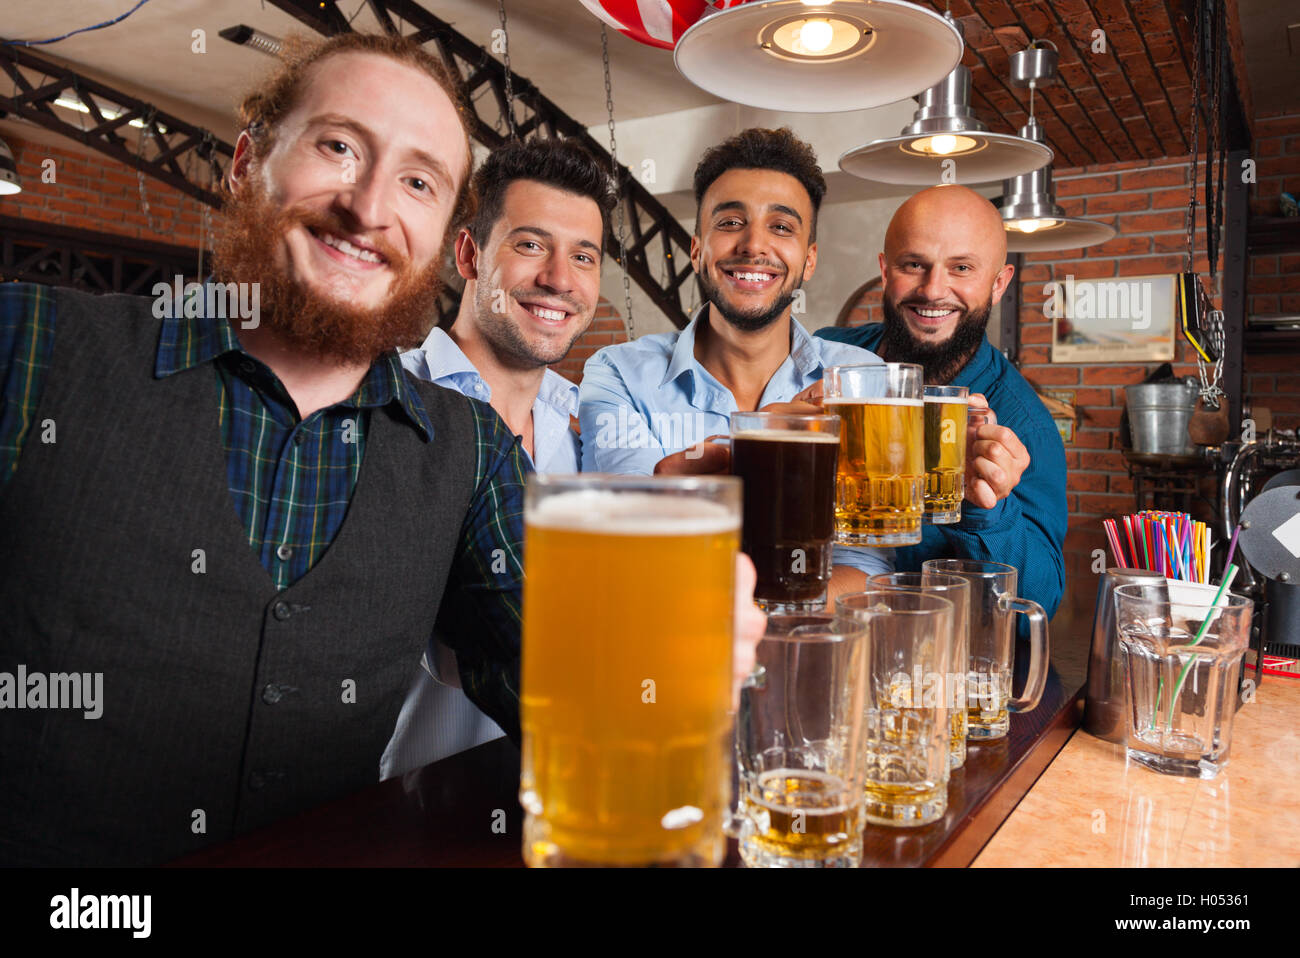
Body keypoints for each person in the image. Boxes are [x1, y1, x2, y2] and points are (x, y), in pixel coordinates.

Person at [385, 137, 614, 777]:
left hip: (582, 793)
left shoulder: (597, 427)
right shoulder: (385, 402)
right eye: (531, 244)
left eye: (584, 257)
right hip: (415, 802)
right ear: (469, 253)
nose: (559, 280)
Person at [578, 127, 893, 589]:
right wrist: (765, 435)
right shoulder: (618, 373)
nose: (753, 245)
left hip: (809, 657)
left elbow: (866, 568)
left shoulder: (862, 378)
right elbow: (633, 533)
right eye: (729, 223)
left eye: (781, 227)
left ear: (808, 259)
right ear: (697, 250)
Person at [815, 184, 1066, 619]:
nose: (933, 290)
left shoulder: (1023, 423)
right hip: (798, 634)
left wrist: (988, 510)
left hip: (921, 662)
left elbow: (1035, 610)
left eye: (962, 268)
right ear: (885, 271)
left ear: (999, 283)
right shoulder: (824, 357)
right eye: (914, 264)